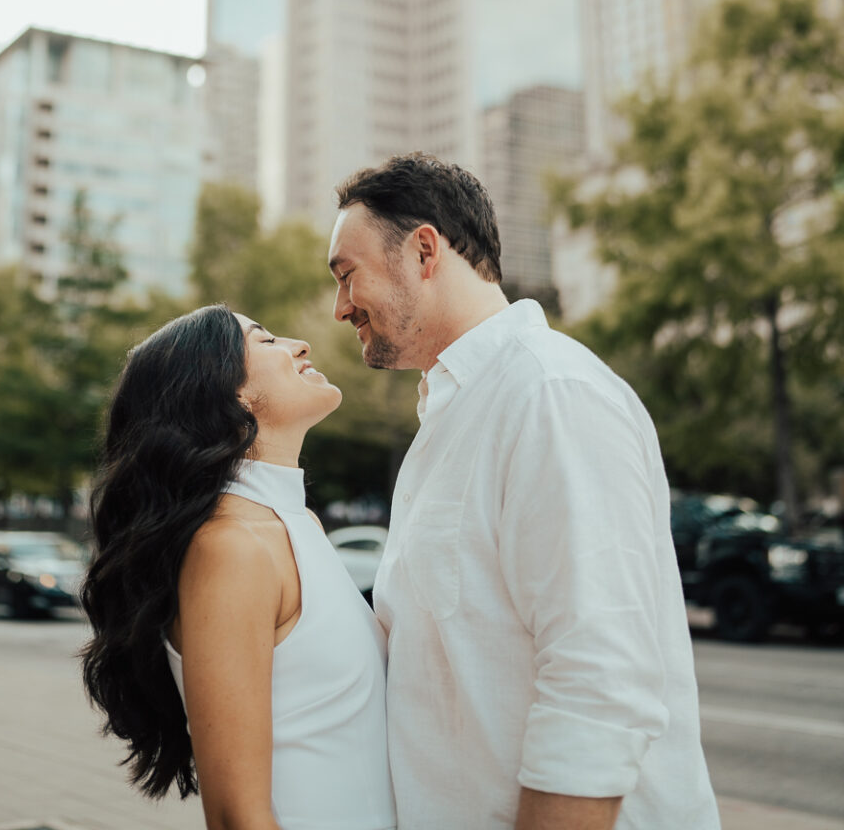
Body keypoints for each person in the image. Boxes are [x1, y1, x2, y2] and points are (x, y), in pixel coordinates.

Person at [328, 153, 721, 830]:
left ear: (424, 251)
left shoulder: (550, 394)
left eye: (346, 275)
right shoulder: (455, 415)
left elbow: (599, 681)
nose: (340, 308)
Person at [81, 303, 396, 830]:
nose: (300, 345)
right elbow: (236, 816)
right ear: (231, 395)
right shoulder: (230, 548)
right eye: (266, 341)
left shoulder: (299, 526)